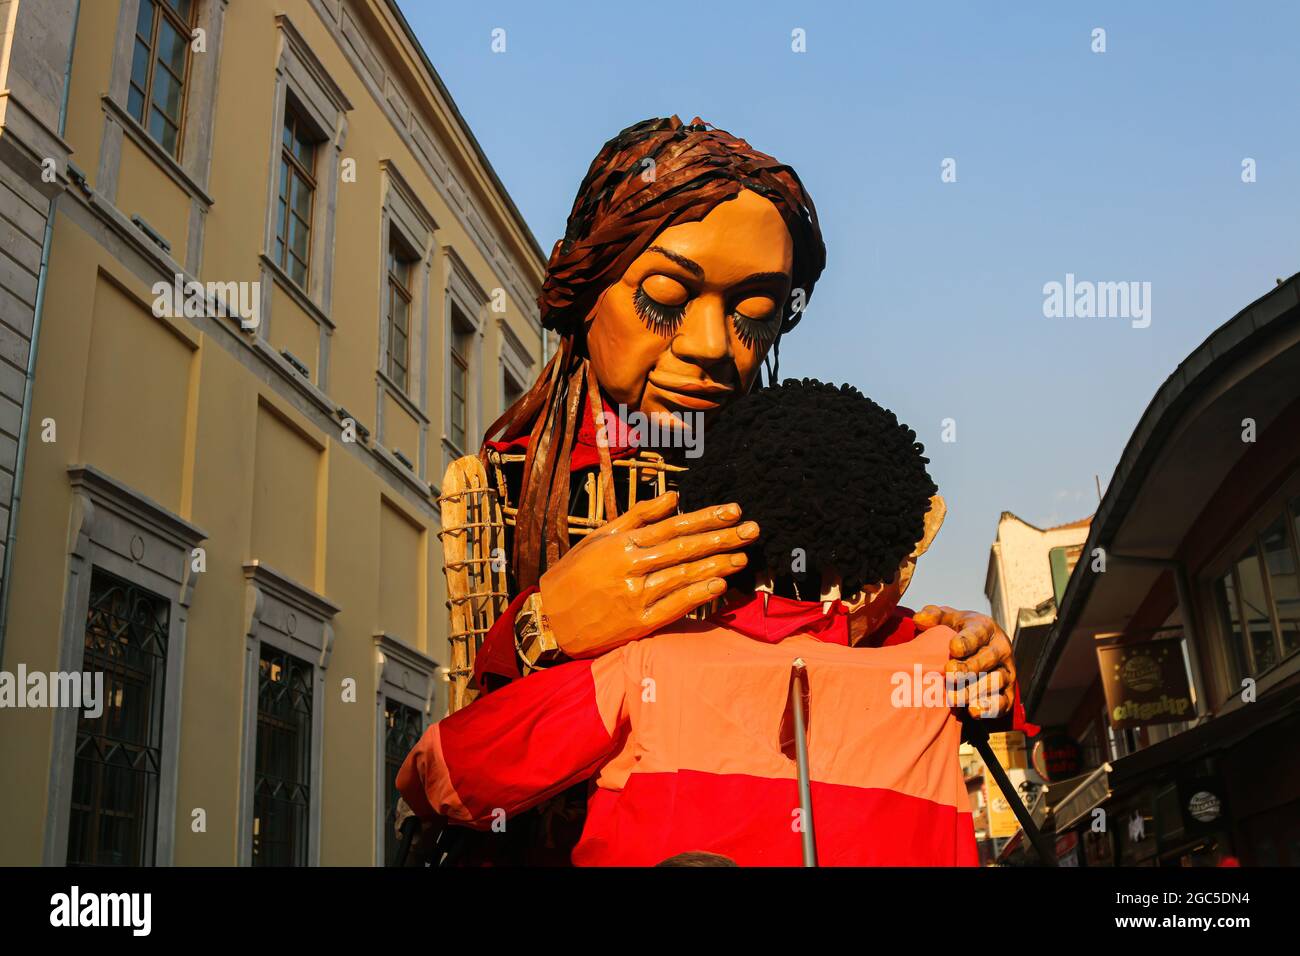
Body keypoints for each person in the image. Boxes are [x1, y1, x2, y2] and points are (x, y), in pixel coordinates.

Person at [400, 380, 990, 865]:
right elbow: (1011, 705)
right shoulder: (943, 664)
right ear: (895, 539)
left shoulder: (648, 665)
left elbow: (454, 770)